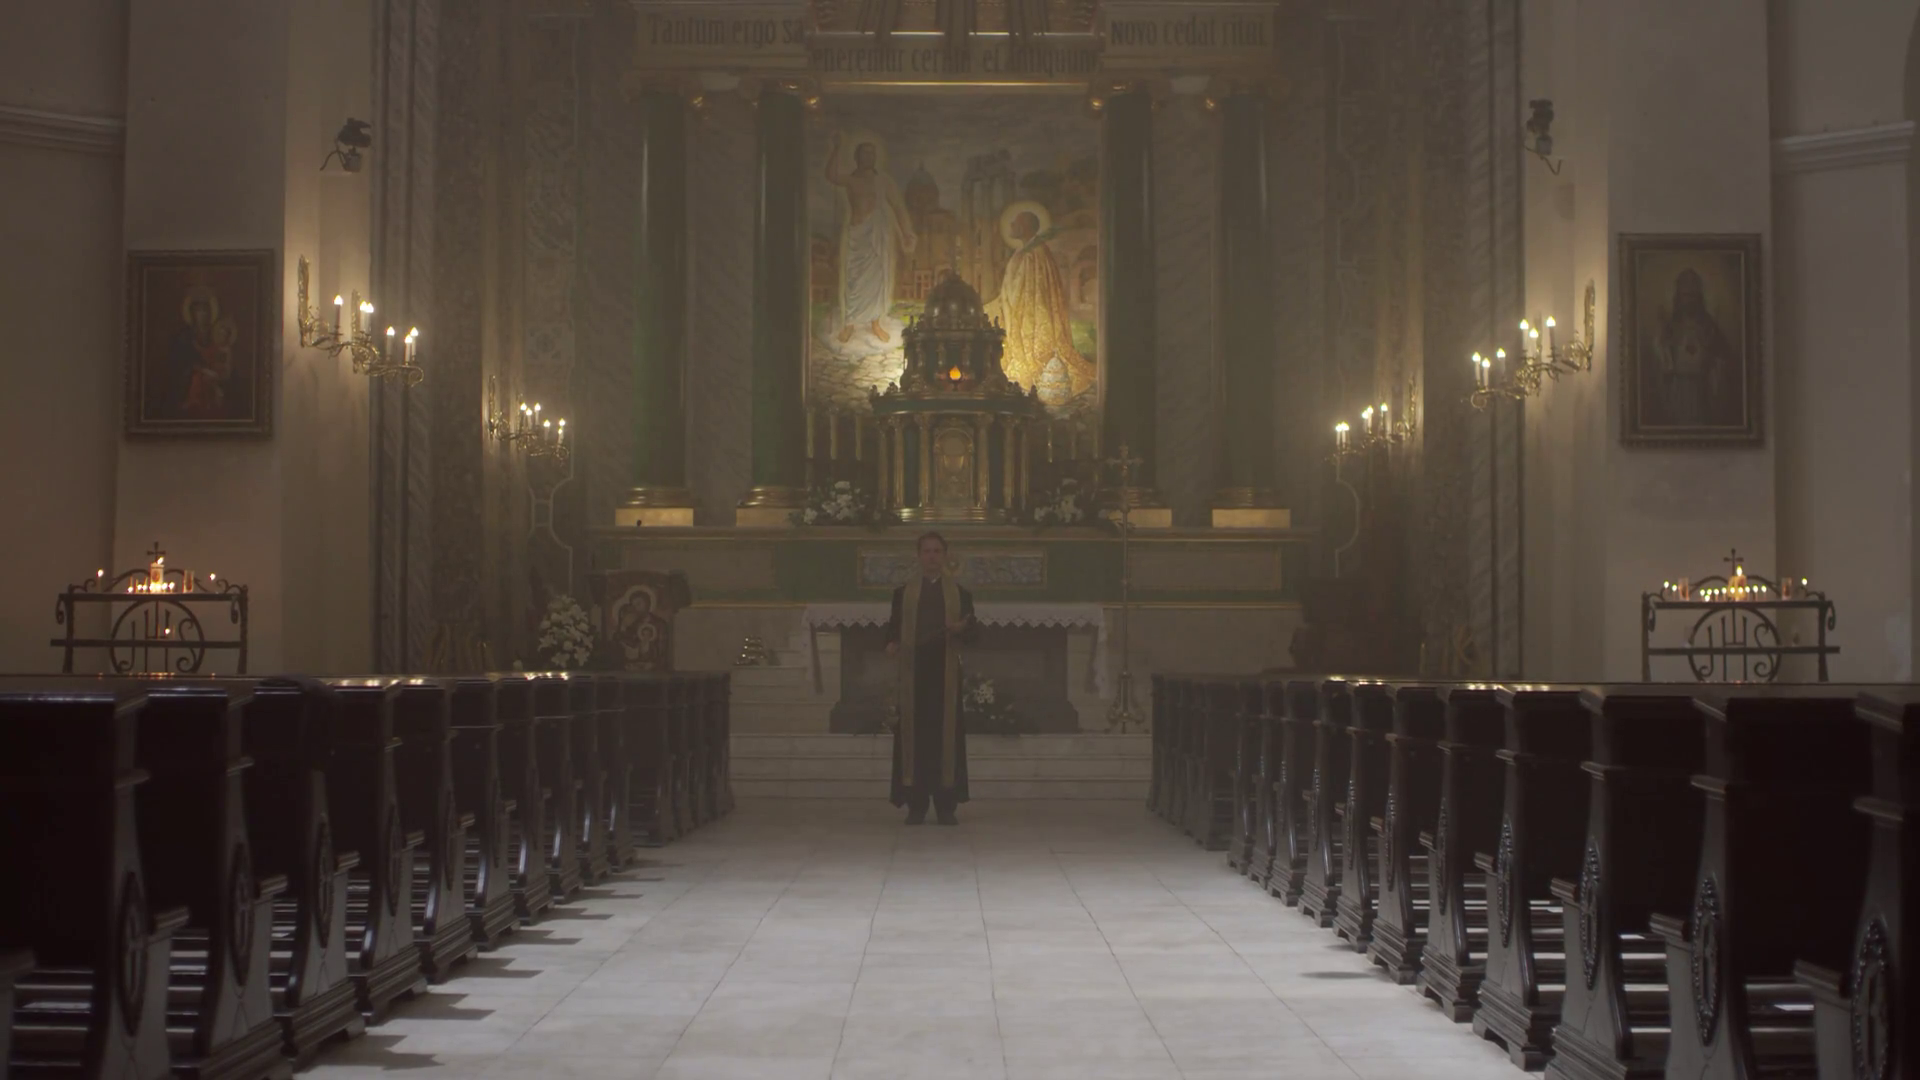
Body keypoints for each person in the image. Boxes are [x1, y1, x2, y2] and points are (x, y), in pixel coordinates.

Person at [884, 531, 978, 825]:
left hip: (945, 672)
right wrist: (891, 642)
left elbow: (975, 634)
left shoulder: (961, 594)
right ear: (919, 556)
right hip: (915, 673)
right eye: (927, 551)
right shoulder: (903, 594)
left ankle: (946, 804)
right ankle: (916, 803)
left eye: (937, 551)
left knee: (944, 738)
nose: (932, 556)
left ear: (946, 556)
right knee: (916, 737)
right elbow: (893, 627)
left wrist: (961, 629)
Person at [987, 203, 1095, 404]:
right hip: (1016, 310)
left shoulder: (1035, 254)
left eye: (1016, 222)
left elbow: (1031, 290)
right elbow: (1010, 288)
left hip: (1032, 315)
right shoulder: (1023, 252)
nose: (1011, 225)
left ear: (1025, 226)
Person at [825, 132, 916, 346]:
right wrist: (836, 149)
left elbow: (898, 206)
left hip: (878, 237)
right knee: (852, 280)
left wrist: (906, 232)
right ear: (857, 157)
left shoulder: (883, 181)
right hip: (858, 236)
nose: (869, 158)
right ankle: (849, 324)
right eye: (865, 154)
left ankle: (876, 323)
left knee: (878, 280)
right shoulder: (851, 180)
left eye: (872, 154)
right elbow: (831, 176)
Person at [1651, 267, 1737, 427]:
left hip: (1702, 389)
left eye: (1692, 295)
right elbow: (1661, 358)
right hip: (1678, 389)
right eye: (1685, 295)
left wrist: (1713, 363)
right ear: (1679, 297)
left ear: (1699, 297)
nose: (1689, 300)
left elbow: (1723, 357)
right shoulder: (1671, 326)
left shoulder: (1709, 325)